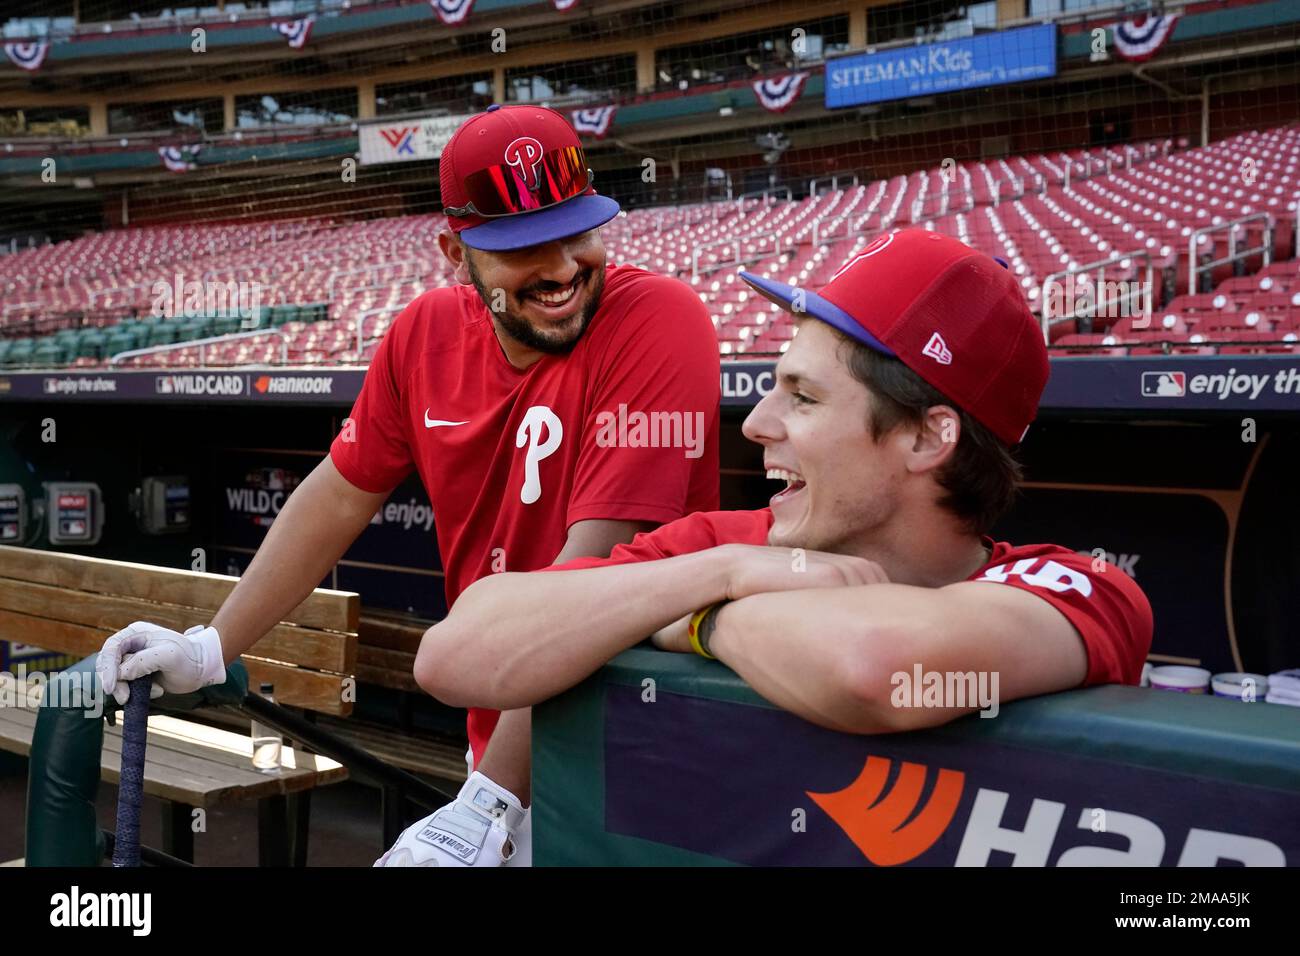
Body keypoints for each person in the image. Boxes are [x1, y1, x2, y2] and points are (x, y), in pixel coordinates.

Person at [95, 104, 721, 867]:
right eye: (524, 246)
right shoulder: (422, 332)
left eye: (577, 232)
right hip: (502, 747)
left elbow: (596, 578)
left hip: (637, 761)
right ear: (455, 253)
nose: (560, 268)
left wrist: (492, 799)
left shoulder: (659, 318)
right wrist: (213, 644)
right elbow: (336, 494)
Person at [412, 229, 1153, 742]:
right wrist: (725, 571)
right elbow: (456, 657)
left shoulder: (1074, 584)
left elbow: (874, 670)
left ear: (928, 437)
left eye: (802, 396)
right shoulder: (727, 548)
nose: (755, 423)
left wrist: (694, 616)